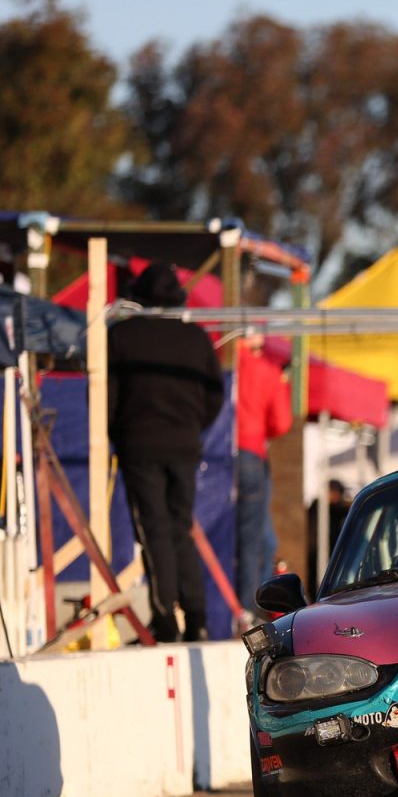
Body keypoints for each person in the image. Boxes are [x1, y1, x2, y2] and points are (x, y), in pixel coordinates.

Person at [108, 263, 224, 642]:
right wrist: (192, 426)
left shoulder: (122, 336)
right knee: (180, 527)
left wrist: (118, 433)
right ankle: (197, 617)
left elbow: (107, 398)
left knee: (154, 529)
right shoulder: (197, 339)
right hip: (184, 444)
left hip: (140, 443)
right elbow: (214, 396)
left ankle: (165, 620)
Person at [234, 334, 292, 618]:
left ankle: (231, 603)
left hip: (216, 455)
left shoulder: (225, 362)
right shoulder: (266, 371)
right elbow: (282, 422)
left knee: (227, 532)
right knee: (253, 536)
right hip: (252, 452)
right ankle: (247, 607)